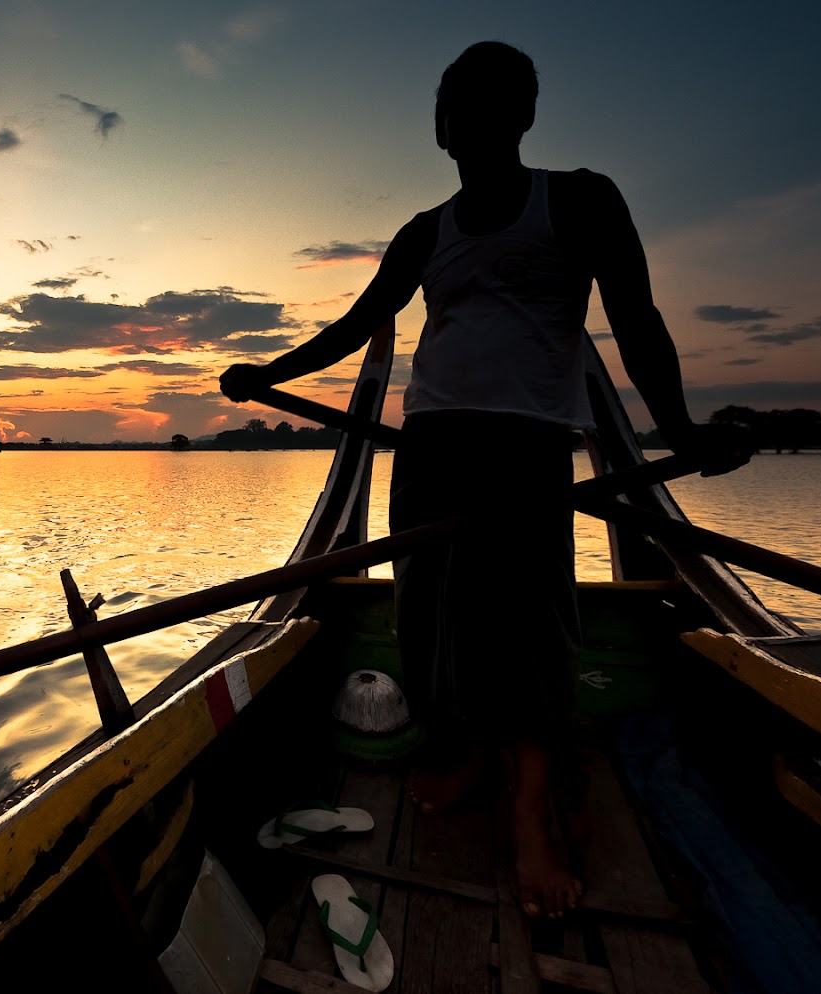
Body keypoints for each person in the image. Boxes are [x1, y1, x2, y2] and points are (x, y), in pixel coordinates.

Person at [221, 41, 749, 919]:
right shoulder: (425, 232)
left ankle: (532, 814)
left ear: (523, 115)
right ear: (442, 126)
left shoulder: (577, 199)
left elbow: (637, 318)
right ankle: (463, 751)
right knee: (430, 617)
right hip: (431, 443)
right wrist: (264, 372)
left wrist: (684, 429)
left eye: (492, 97)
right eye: (456, 101)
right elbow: (360, 323)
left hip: (527, 445)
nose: (470, 114)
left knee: (530, 626)